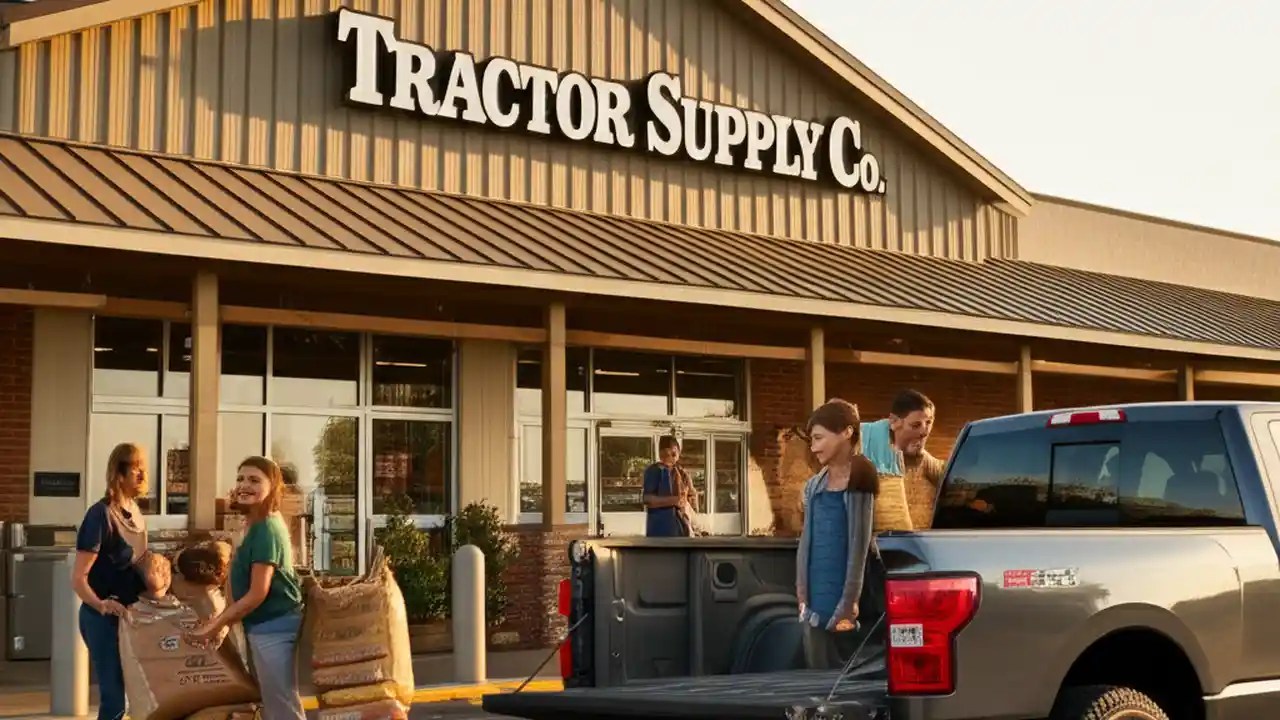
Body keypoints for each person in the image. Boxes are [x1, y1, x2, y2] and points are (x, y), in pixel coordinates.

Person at [187, 456, 305, 720]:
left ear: (272, 487)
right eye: (240, 478)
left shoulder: (266, 529)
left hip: (273, 627)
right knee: (272, 703)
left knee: (281, 705)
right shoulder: (253, 524)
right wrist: (226, 623)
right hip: (261, 627)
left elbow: (257, 593)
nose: (244, 485)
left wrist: (216, 624)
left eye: (254, 480)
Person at [795, 399, 879, 670]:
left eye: (819, 438)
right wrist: (801, 588)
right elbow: (806, 541)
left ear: (846, 432)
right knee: (816, 665)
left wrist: (850, 601)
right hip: (815, 591)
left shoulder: (861, 475)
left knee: (845, 670)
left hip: (844, 593)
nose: (814, 446)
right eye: (812, 439)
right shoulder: (814, 485)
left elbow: (859, 544)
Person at [72, 442, 150, 720]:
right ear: (119, 473)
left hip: (131, 616)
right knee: (114, 697)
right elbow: (79, 578)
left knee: (134, 695)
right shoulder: (101, 514)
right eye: (134, 468)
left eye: (143, 467)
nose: (141, 473)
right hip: (102, 618)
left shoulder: (136, 511)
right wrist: (101, 605)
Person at [861, 389, 946, 531]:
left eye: (928, 423)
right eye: (916, 425)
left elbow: (949, 476)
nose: (924, 432)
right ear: (894, 422)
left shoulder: (923, 459)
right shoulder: (864, 443)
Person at [642, 435, 697, 537]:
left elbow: (691, 498)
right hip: (660, 528)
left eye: (673, 454)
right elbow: (647, 499)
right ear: (660, 454)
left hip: (682, 528)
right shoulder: (654, 471)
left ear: (678, 453)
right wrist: (674, 500)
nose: (669, 458)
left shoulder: (683, 473)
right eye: (665, 454)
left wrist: (694, 522)